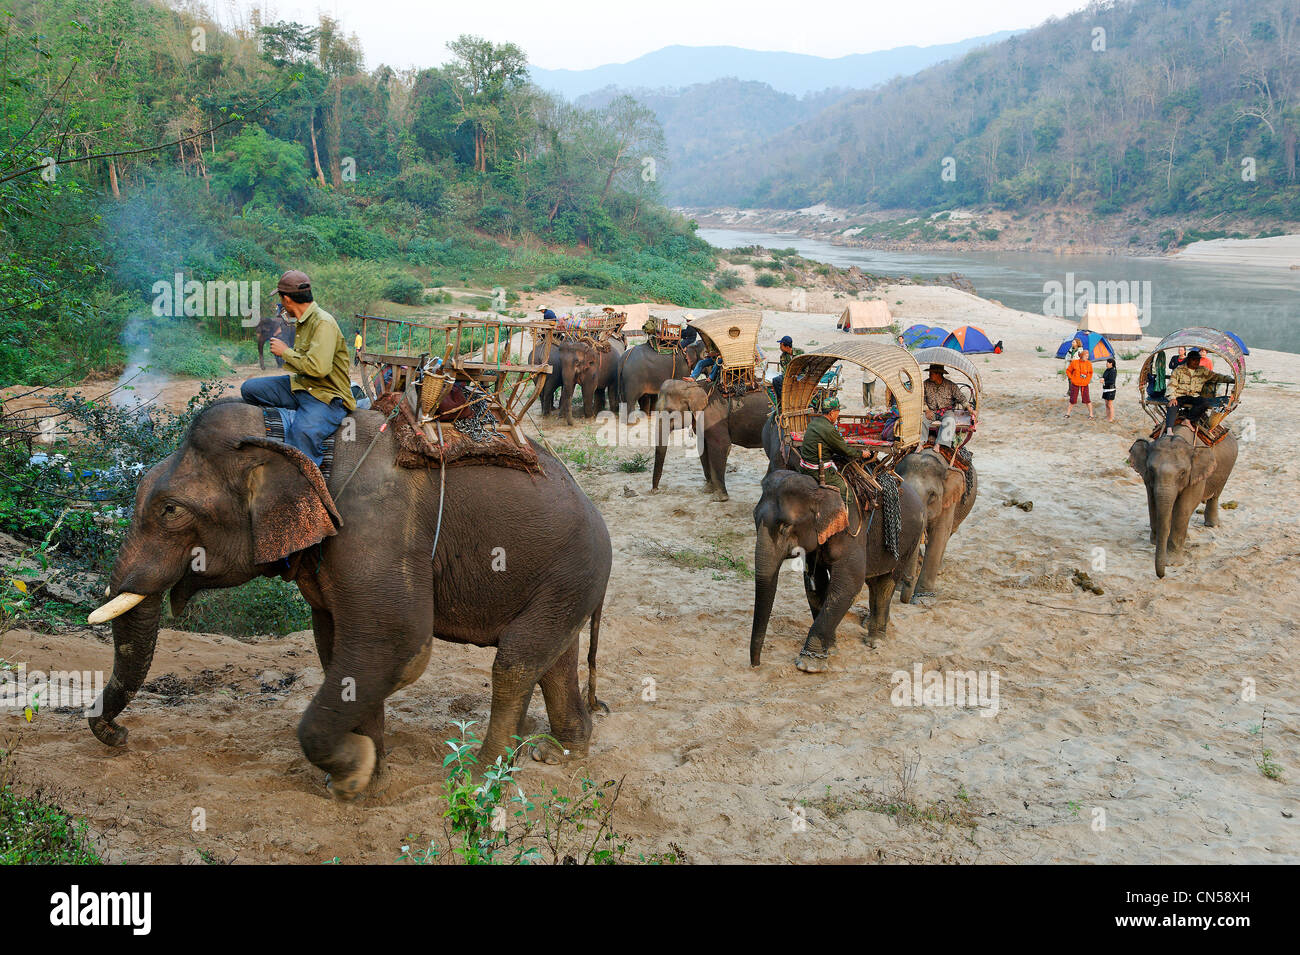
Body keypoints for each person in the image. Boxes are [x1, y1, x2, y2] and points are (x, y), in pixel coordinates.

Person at [241, 270, 355, 467]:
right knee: (249, 389)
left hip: (326, 396)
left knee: (301, 435)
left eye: (280, 300)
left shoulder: (323, 323)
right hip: (301, 386)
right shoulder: (302, 321)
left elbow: (319, 368)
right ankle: (296, 416)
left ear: (286, 299)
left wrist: (285, 352)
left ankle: (307, 488)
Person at [797, 395, 861, 504]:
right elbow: (844, 450)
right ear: (832, 413)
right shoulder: (829, 429)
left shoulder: (813, 423)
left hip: (804, 467)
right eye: (837, 412)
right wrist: (861, 453)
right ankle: (843, 519)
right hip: (817, 471)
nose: (838, 415)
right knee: (847, 492)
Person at [1164, 350, 1233, 432]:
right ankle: (1169, 429)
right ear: (1189, 359)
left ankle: (1188, 420)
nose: (1196, 362)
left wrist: (1232, 380)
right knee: (1172, 405)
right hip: (1179, 395)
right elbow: (1171, 385)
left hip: (1194, 396)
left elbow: (1217, 376)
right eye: (1194, 360)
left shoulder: (1203, 371)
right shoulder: (1178, 370)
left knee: (1204, 402)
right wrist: (1172, 397)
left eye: (1198, 360)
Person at [1066, 351, 1094, 419]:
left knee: (1087, 399)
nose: (1087, 357)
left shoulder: (1089, 363)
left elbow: (1090, 373)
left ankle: (1091, 414)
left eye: (1088, 356)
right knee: (1072, 399)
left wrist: (1087, 380)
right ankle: (1067, 413)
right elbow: (1068, 371)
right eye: (1086, 356)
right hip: (1075, 383)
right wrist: (1071, 378)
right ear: (1081, 356)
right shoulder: (1074, 362)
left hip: (1084, 384)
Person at [771, 335, 797, 400]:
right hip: (789, 376)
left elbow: (806, 366)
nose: (780, 347)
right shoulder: (783, 357)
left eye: (781, 345)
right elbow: (785, 371)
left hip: (801, 376)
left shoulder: (800, 353)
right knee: (776, 380)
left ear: (787, 347)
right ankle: (783, 399)